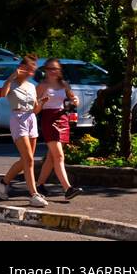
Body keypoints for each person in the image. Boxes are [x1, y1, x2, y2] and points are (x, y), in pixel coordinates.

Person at [0, 54, 48, 206]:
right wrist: (11, 76)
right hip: (18, 119)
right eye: (29, 69)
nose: (31, 73)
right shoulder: (11, 83)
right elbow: (2, 94)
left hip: (31, 119)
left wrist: (42, 103)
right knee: (29, 159)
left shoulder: (31, 86)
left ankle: (2, 182)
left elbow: (35, 109)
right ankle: (34, 194)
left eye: (33, 70)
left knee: (26, 159)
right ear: (21, 68)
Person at [36, 58, 83, 201]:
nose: (52, 71)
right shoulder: (42, 86)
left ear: (59, 70)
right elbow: (35, 108)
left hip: (62, 118)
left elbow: (74, 99)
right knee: (59, 156)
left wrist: (75, 101)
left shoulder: (64, 85)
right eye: (49, 69)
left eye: (55, 69)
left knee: (52, 156)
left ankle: (39, 185)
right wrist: (41, 102)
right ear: (45, 70)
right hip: (48, 120)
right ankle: (67, 189)